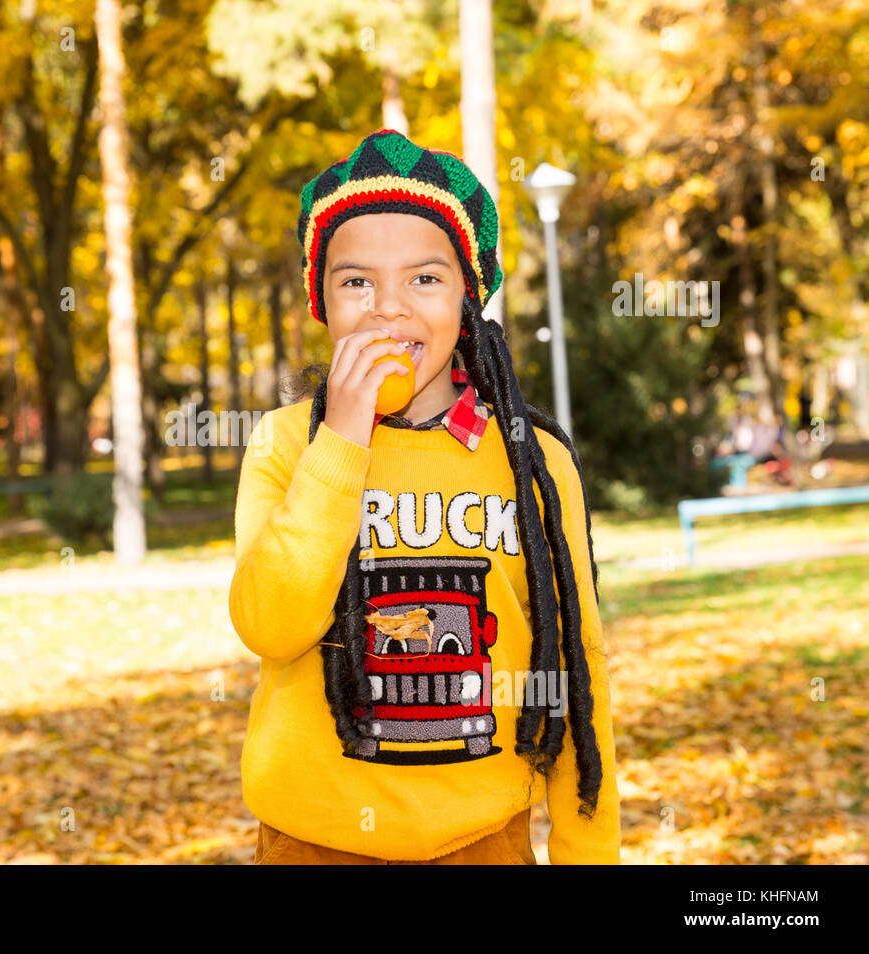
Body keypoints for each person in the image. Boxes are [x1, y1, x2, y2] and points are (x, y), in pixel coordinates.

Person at [229, 129, 620, 864]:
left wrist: (586, 850)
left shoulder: (534, 463)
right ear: (323, 302)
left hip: (482, 842)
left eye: (425, 279)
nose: (388, 308)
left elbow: (579, 668)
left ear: (468, 298)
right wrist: (341, 441)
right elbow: (270, 625)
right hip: (310, 843)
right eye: (356, 282)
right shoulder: (285, 443)